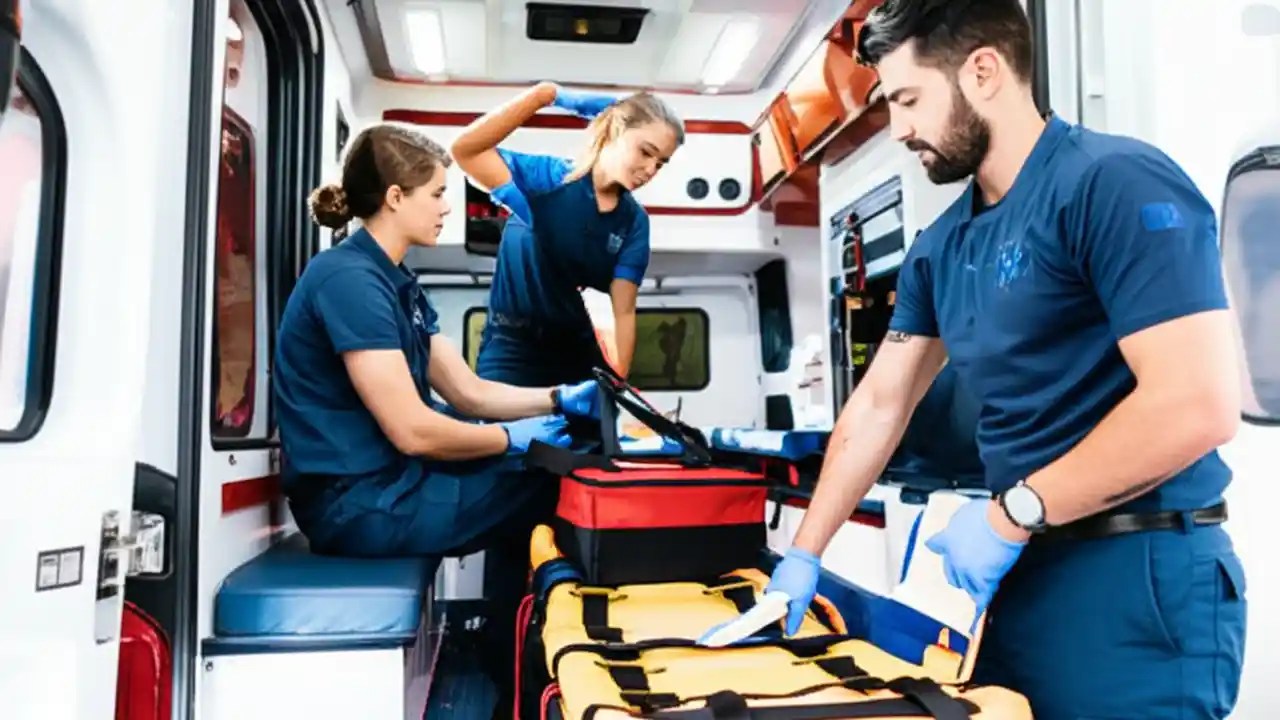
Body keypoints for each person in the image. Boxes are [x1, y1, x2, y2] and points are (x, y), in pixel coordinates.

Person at [766, 1, 1247, 718]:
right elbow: (880, 403)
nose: (899, 129)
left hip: (1136, 577)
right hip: (1022, 575)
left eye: (908, 100)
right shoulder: (943, 246)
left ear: (983, 71)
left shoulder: (1113, 184)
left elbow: (1196, 405)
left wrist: (1012, 513)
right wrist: (803, 554)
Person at [273, 124, 599, 718]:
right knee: (556, 484)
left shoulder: (395, 281)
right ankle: (528, 679)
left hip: (388, 488)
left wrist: (557, 400)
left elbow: (469, 393)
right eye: (437, 193)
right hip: (357, 506)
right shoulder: (348, 280)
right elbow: (414, 430)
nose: (449, 206)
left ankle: (517, 660)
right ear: (396, 198)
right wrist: (512, 441)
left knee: (547, 469)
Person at [450, 82, 685, 386]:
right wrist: (544, 95)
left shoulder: (634, 222)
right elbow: (466, 150)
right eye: (646, 152)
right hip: (512, 350)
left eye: (661, 163)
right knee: (506, 433)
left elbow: (623, 311)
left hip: (578, 355)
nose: (651, 169)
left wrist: (617, 382)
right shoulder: (545, 180)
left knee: (590, 431)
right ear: (615, 131)